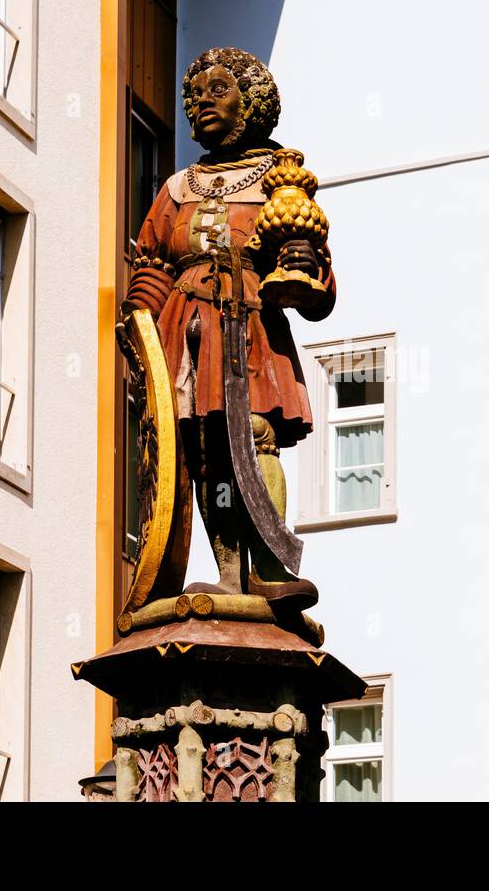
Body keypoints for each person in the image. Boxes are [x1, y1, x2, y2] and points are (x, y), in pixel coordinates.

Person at [120, 47, 334, 610]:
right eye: (194, 95)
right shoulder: (177, 188)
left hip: (247, 320)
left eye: (217, 90)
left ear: (251, 99)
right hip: (182, 326)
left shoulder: (281, 178)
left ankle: (268, 565)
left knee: (255, 434)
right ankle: (230, 573)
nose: (200, 103)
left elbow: (312, 275)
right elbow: (152, 265)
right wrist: (141, 343)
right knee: (201, 448)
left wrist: (302, 267)